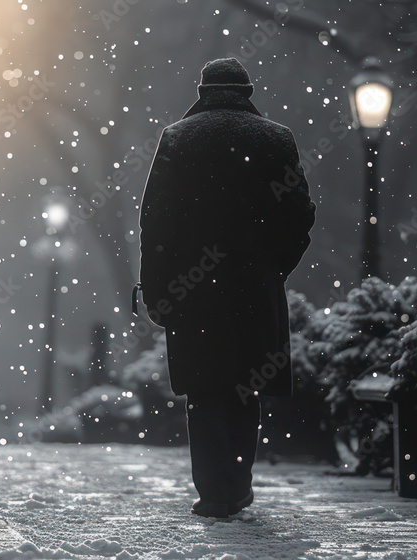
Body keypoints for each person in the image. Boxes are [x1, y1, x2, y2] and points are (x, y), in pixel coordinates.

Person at [138, 58, 316, 518]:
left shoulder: (178, 137)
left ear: (202, 90)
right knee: (245, 387)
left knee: (205, 390)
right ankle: (237, 484)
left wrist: (159, 288)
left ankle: (213, 490)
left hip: (194, 291)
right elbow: (299, 216)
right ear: (249, 91)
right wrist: (274, 266)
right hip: (254, 287)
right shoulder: (277, 139)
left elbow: (156, 222)